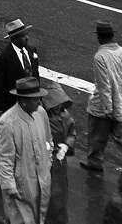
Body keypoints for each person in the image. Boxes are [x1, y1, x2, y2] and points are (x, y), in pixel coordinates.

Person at [81, 20, 122, 173]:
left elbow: (104, 86)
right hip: (121, 103)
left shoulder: (100, 57)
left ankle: (95, 162)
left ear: (99, 38)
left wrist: (108, 109)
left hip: (103, 107)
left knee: (97, 136)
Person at [0, 76, 53, 224]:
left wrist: (48, 163)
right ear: (23, 101)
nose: (39, 102)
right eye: (35, 99)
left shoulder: (41, 113)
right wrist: (9, 186)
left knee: (40, 217)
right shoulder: (7, 123)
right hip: (21, 187)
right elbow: (3, 159)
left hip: (42, 181)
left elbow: (48, 141)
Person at [0, 18, 42, 115]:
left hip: (32, 102)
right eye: (23, 36)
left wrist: (38, 97)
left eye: (26, 34)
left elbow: (36, 75)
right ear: (14, 39)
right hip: (12, 105)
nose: (27, 38)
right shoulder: (2, 57)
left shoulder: (32, 50)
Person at [43, 81, 77, 224]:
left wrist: (66, 146)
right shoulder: (42, 116)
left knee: (60, 190)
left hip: (59, 160)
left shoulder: (66, 116)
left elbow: (72, 133)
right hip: (46, 159)